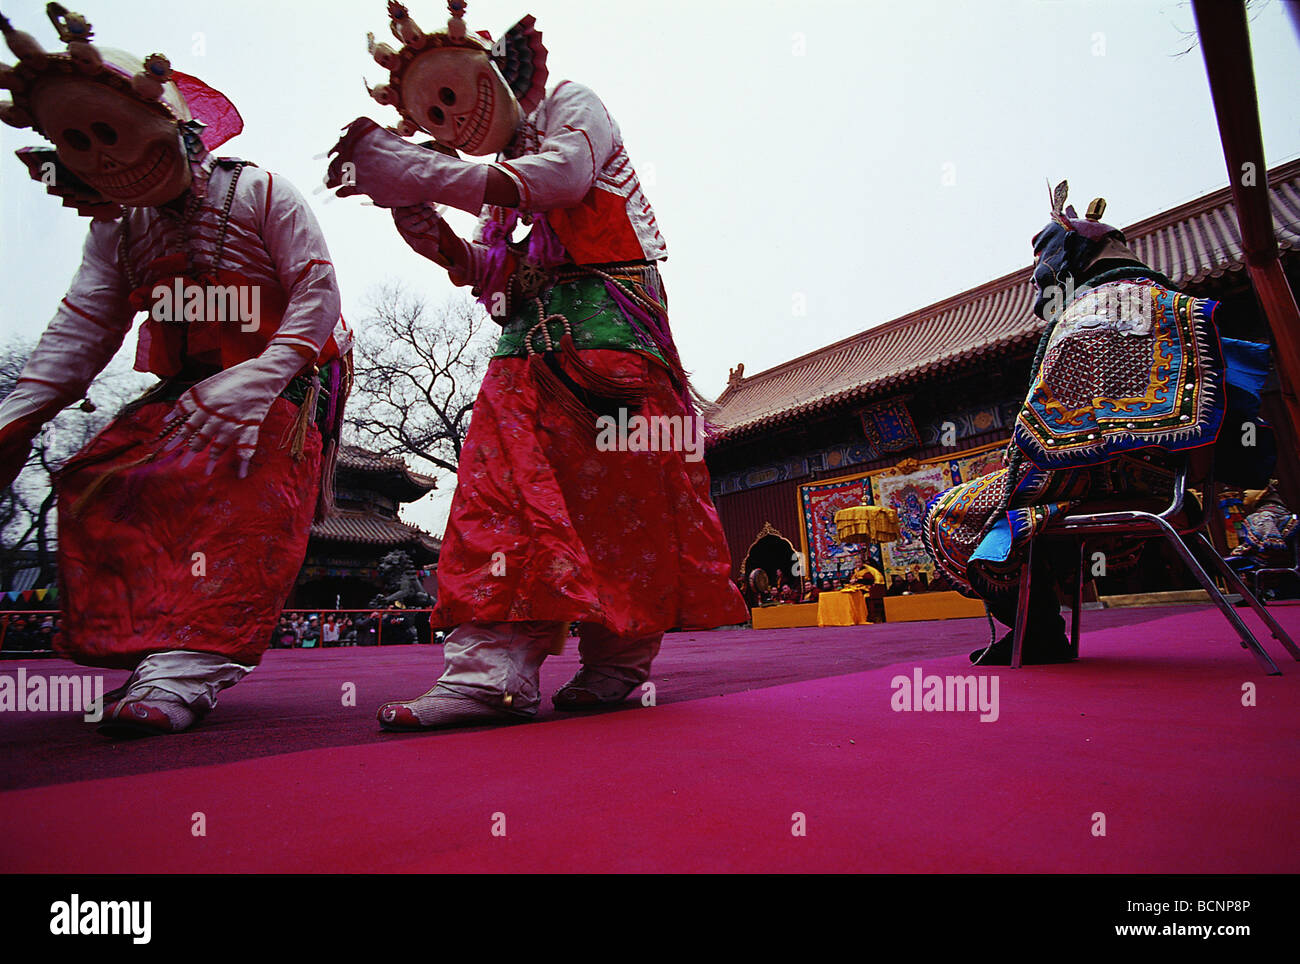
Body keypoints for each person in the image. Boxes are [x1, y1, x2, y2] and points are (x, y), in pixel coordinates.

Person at [325, 1, 747, 729]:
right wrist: (416, 215)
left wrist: (426, 173)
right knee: (498, 492)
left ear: (502, 66)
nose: (448, 123)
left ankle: (618, 657)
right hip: (526, 350)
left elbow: (562, 179)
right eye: (431, 120)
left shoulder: (571, 108)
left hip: (616, 337)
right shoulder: (496, 186)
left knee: (626, 501)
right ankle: (490, 670)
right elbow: (492, 272)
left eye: (451, 96)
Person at [0, 6, 350, 735]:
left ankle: (186, 667)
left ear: (170, 122)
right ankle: (150, 654)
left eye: (111, 131)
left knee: (238, 491)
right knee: (104, 478)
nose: (103, 154)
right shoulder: (119, 231)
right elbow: (84, 327)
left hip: (285, 376)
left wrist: (258, 380)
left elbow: (317, 295)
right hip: (185, 388)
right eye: (80, 141)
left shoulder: (261, 192)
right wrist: (18, 415)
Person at [923, 183, 1272, 665]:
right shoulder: (1176, 307)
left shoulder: (1089, 314)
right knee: (1020, 509)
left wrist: (1011, 481)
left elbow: (1049, 436)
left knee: (954, 512)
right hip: (1172, 488)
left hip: (1096, 485)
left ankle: (1038, 630)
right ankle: (1038, 628)